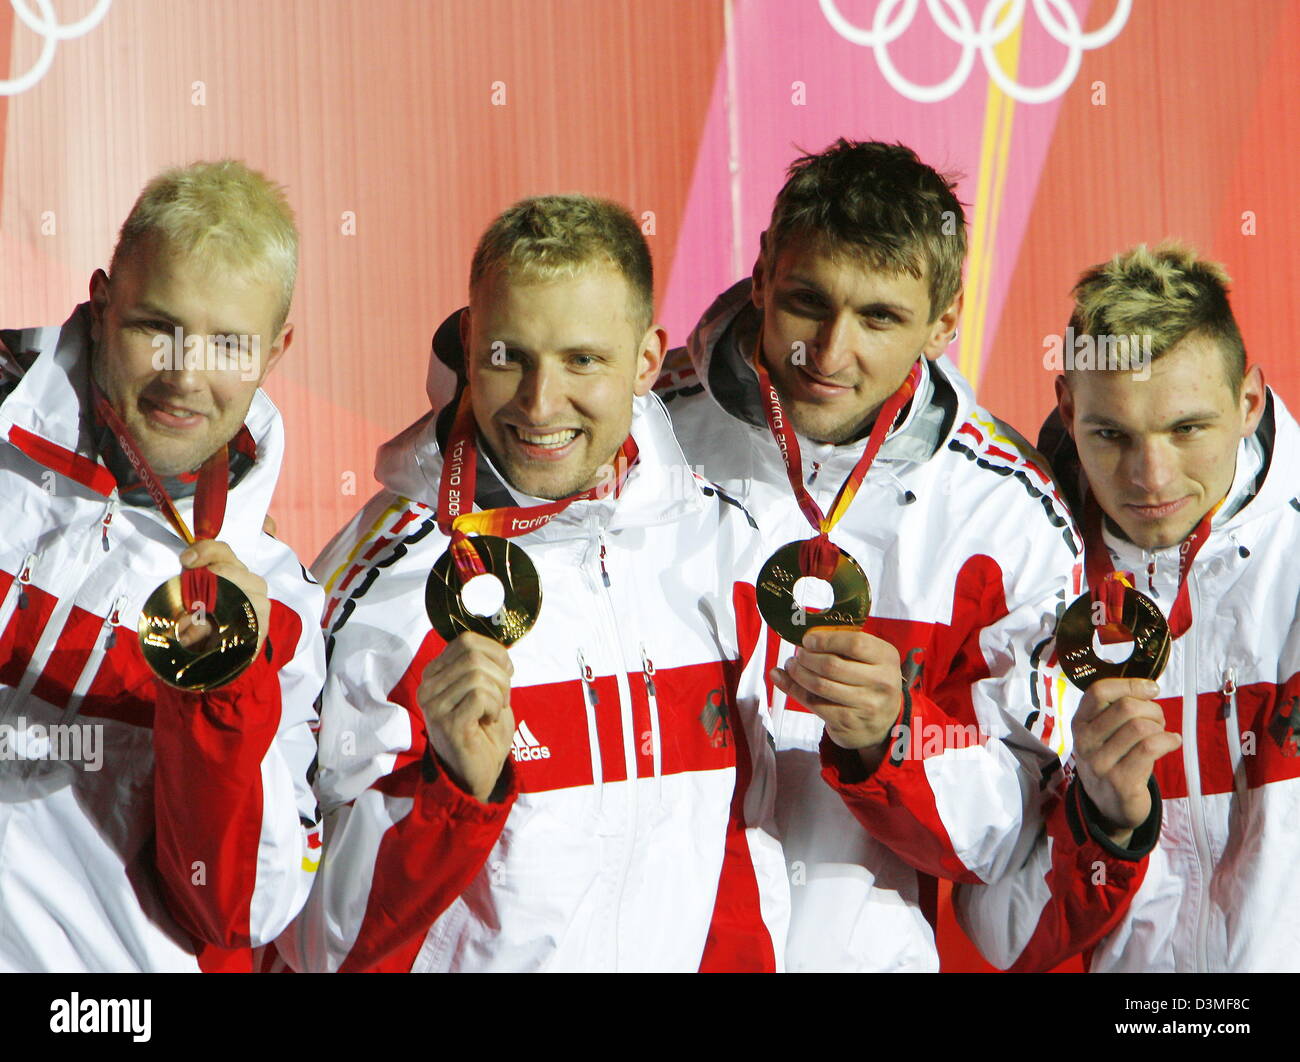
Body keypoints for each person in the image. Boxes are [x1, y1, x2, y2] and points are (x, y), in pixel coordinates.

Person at [281, 194, 788, 973]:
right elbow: (312, 939)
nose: (539, 403)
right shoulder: (390, 578)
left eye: (582, 360)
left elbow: (746, 866)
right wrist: (452, 798)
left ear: (647, 361)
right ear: (470, 342)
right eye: (508, 356)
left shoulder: (723, 549)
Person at [657, 138, 1080, 971]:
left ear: (945, 320)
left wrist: (897, 737)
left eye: (880, 317)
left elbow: (1015, 835)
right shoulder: (644, 446)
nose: (831, 351)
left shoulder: (1003, 511)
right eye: (808, 301)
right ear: (766, 266)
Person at [0, 160, 324, 972]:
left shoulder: (273, 603)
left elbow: (239, 910)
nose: (184, 374)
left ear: (275, 351)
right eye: (156, 326)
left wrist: (225, 692)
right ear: (102, 301)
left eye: (227, 343)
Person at [956, 243, 1298, 972]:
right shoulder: (1025, 582)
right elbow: (1005, 937)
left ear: (1249, 402)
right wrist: (1106, 826)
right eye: (1111, 435)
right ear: (1067, 408)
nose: (1150, 476)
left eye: (1187, 429)